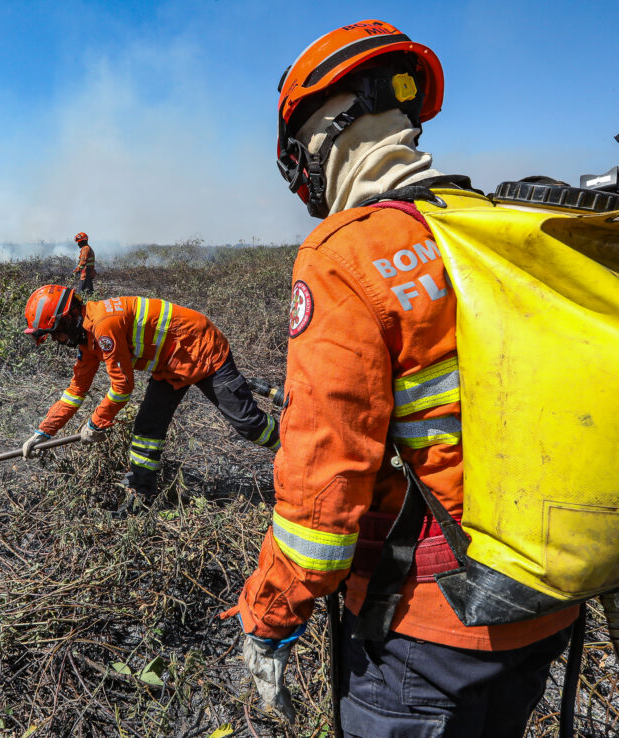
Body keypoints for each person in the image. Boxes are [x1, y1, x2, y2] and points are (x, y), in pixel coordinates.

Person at [221, 19, 579, 737]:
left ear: (323, 136)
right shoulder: (499, 228)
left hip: (424, 631)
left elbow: (321, 503)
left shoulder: (347, 253)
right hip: (544, 603)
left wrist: (268, 619)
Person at [20, 284, 279, 511]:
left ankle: (294, 453)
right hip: (170, 364)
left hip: (202, 350)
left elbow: (122, 388)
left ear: (70, 318)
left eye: (55, 332)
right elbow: (76, 390)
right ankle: (140, 495)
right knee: (146, 428)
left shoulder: (103, 326)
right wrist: (44, 432)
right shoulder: (87, 337)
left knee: (249, 424)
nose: (57, 339)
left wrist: (95, 423)